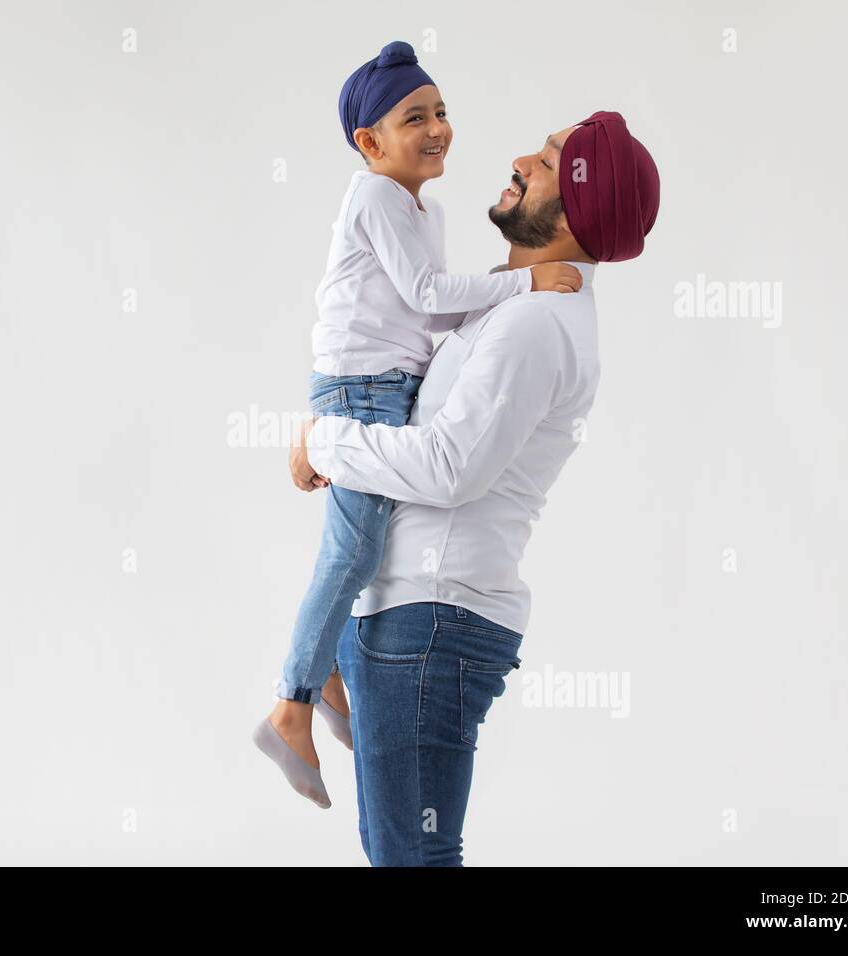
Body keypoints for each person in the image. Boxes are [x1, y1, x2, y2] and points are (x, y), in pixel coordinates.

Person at [290, 112, 661, 864]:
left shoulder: (536, 324)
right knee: (400, 851)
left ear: (581, 203)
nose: (523, 158)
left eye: (551, 160)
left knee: (412, 858)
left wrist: (325, 439)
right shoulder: (515, 305)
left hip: (431, 622)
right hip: (414, 617)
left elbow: (451, 468)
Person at [253, 41, 581, 810]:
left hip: (383, 387)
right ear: (369, 143)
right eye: (414, 118)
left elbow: (426, 308)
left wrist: (507, 288)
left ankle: (325, 686)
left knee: (355, 547)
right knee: (356, 549)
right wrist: (522, 280)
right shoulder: (372, 197)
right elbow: (431, 296)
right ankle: (291, 704)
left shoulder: (418, 208)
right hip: (362, 390)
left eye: (441, 112)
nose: (437, 128)